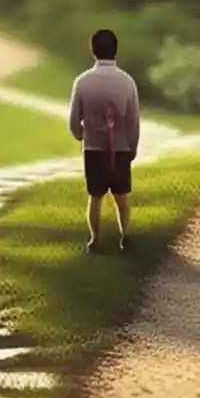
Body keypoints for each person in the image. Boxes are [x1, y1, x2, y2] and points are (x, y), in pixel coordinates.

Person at [68, 29, 141, 253]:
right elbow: (133, 120)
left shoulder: (82, 81)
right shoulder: (127, 82)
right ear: (116, 50)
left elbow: (73, 120)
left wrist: (82, 135)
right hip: (120, 148)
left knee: (96, 196)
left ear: (93, 50)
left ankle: (95, 239)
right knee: (122, 197)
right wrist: (132, 146)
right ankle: (125, 233)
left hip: (93, 149)